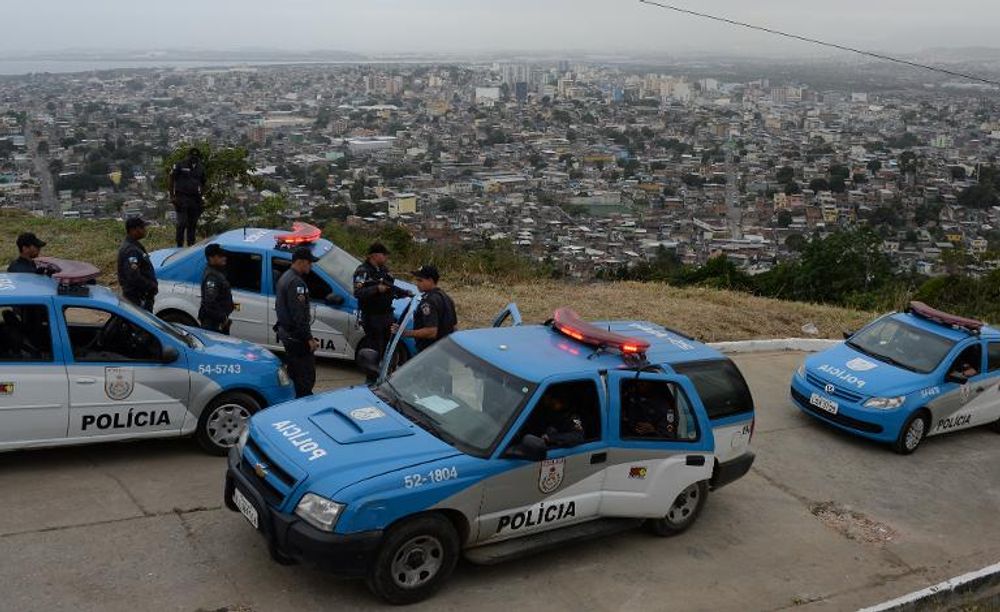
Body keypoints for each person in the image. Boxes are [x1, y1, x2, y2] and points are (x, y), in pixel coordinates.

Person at [353, 242, 411, 362]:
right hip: (372, 317)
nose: (386, 258)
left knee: (387, 348)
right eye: (383, 255)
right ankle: (373, 375)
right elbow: (358, 293)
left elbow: (390, 287)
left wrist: (404, 293)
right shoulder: (363, 271)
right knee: (375, 349)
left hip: (386, 315)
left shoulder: (383, 270)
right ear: (374, 255)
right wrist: (376, 289)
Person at [275, 246, 319, 398]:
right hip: (297, 338)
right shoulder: (296, 283)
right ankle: (302, 406)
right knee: (305, 378)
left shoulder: (285, 276)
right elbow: (299, 316)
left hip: (288, 334)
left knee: (294, 373)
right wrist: (309, 338)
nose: (311, 266)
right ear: (301, 262)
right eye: (309, 263)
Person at [391, 265, 457, 354]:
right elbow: (454, 327)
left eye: (420, 280)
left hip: (429, 352)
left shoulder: (429, 301)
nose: (417, 283)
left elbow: (431, 332)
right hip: (443, 351)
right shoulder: (446, 297)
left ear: (430, 280)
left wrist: (405, 333)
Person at [168, 147, 207, 248]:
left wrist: (202, 197)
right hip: (182, 197)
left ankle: (191, 246)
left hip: (195, 199)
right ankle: (179, 245)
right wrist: (172, 196)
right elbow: (171, 179)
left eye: (196, 157)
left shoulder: (200, 167)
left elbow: (203, 183)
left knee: (192, 224)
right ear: (188, 156)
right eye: (192, 156)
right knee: (182, 223)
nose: (193, 158)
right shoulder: (180, 165)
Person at [117, 217, 158, 312]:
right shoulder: (131, 250)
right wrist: (151, 286)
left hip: (140, 296)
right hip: (137, 297)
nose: (145, 230)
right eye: (142, 228)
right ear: (133, 230)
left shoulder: (135, 246)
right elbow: (133, 276)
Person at [198, 243, 234, 334]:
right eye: (220, 256)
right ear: (211, 258)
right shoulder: (212, 277)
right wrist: (223, 318)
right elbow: (210, 303)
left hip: (217, 321)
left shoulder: (218, 272)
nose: (224, 258)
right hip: (212, 323)